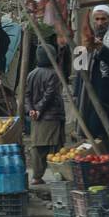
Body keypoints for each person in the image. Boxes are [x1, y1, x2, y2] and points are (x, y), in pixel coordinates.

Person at [77, 4, 109, 148]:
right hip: (88, 96)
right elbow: (79, 69)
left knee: (104, 133)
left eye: (103, 19)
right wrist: (83, 49)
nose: (100, 23)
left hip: (108, 97)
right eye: (97, 19)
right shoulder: (87, 38)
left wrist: (101, 49)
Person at [25, 46, 65, 184]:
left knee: (38, 147)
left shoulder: (31, 74)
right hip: (51, 117)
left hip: (37, 118)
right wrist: (38, 109)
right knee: (56, 147)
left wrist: (31, 110)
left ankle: (37, 176)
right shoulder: (53, 74)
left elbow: (27, 95)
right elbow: (49, 95)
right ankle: (60, 176)